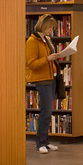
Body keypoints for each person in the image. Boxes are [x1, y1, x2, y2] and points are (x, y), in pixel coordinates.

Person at [25, 14, 62, 154]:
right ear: (43, 26)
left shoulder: (46, 40)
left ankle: (45, 142)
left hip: (51, 77)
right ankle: (40, 142)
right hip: (42, 79)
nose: (51, 31)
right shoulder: (32, 41)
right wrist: (47, 59)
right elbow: (31, 63)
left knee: (48, 111)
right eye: (50, 28)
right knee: (45, 111)